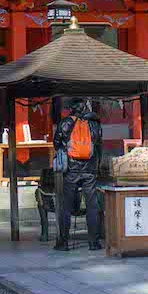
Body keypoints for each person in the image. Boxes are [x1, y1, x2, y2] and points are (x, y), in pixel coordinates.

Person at [52, 97, 104, 250]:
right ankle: (93, 243)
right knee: (92, 205)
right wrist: (97, 166)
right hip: (90, 169)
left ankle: (64, 242)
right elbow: (99, 146)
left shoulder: (65, 122)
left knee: (66, 205)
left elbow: (56, 144)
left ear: (71, 109)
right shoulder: (94, 124)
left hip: (71, 169)